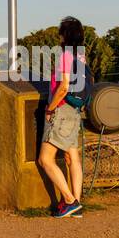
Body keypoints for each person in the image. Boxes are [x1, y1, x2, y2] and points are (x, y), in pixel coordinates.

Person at [38, 15, 86, 218]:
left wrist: (50, 108)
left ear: (64, 35)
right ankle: (77, 204)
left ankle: (69, 200)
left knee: (45, 159)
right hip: (75, 112)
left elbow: (64, 86)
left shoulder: (65, 55)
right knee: (72, 157)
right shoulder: (81, 56)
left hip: (63, 111)